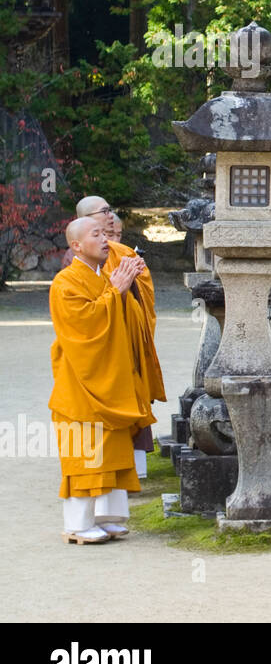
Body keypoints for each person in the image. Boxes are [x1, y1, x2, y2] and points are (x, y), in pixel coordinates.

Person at [49, 217, 153, 543]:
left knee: (112, 446)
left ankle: (108, 516)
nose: (105, 239)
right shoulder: (64, 284)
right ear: (77, 245)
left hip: (112, 381)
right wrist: (115, 292)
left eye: (106, 234)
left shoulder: (107, 277)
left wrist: (126, 293)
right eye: (96, 234)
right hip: (81, 384)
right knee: (86, 451)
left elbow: (130, 323)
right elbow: (84, 328)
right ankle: (78, 524)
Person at [75, 196, 163, 480]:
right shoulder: (72, 269)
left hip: (128, 338)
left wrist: (129, 284)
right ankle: (100, 468)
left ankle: (134, 468)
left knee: (133, 395)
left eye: (110, 211)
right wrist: (116, 290)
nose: (110, 217)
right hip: (98, 346)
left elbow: (143, 295)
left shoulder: (123, 252)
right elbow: (81, 312)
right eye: (103, 213)